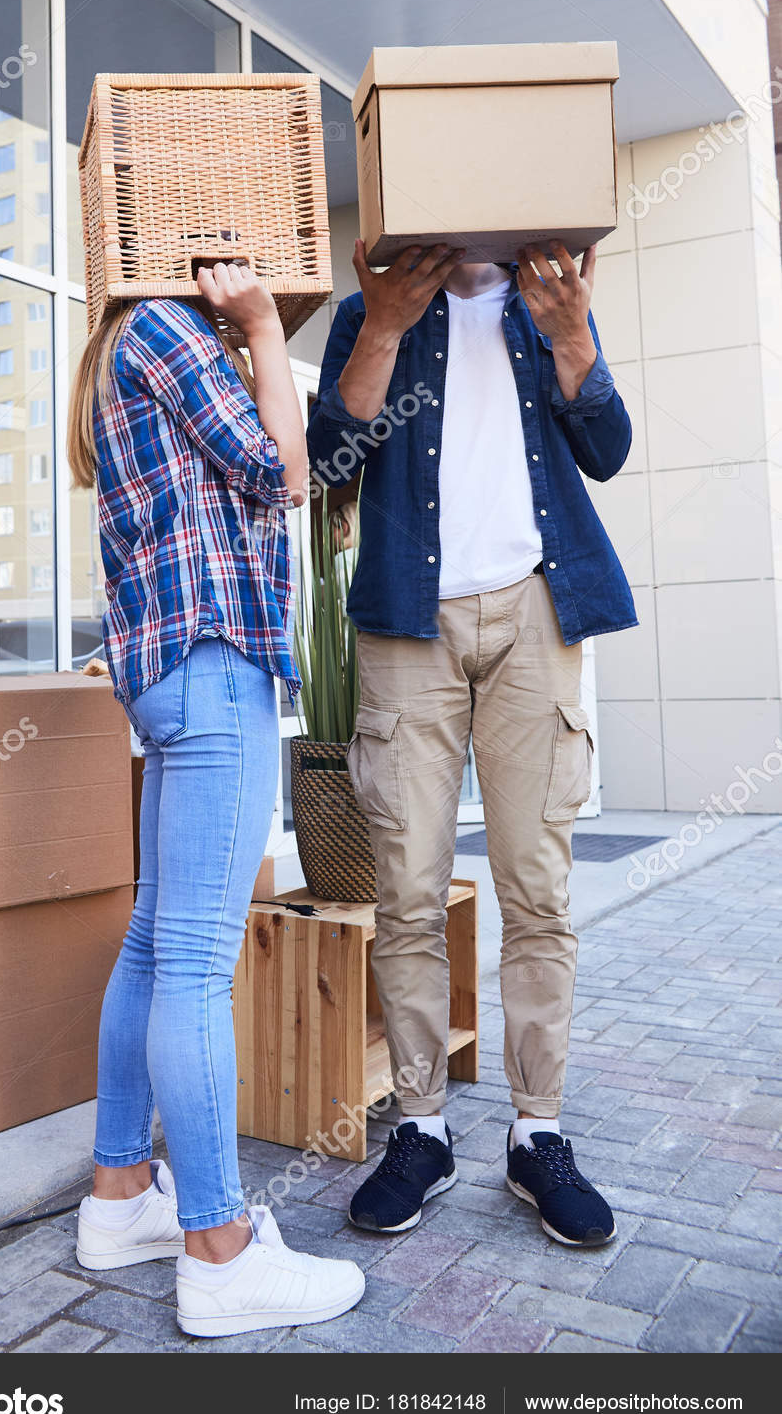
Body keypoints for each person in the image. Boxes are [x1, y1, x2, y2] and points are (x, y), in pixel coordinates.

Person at [307, 239, 635, 1247]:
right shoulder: (379, 306)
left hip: (537, 609)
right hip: (410, 612)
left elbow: (607, 447)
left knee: (534, 883)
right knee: (406, 882)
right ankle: (421, 1128)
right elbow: (326, 460)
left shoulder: (548, 296)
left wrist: (572, 329)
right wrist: (387, 324)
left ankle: (537, 1135)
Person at [67, 262, 366, 1337]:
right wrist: (255, 327)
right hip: (212, 666)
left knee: (153, 943)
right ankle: (217, 1247)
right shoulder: (168, 326)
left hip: (169, 673)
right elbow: (285, 470)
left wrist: (245, 331)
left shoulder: (123, 340)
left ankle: (117, 1199)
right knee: (193, 959)